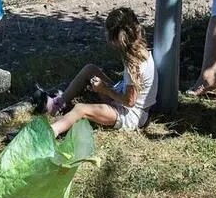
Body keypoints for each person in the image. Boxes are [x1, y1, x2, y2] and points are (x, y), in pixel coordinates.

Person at [37, 7, 157, 137]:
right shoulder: (138, 50)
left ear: (116, 39)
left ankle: (47, 134)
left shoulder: (133, 65)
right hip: (125, 100)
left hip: (132, 115)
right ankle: (58, 105)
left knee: (80, 109)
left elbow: (130, 102)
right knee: (90, 69)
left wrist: (104, 89)